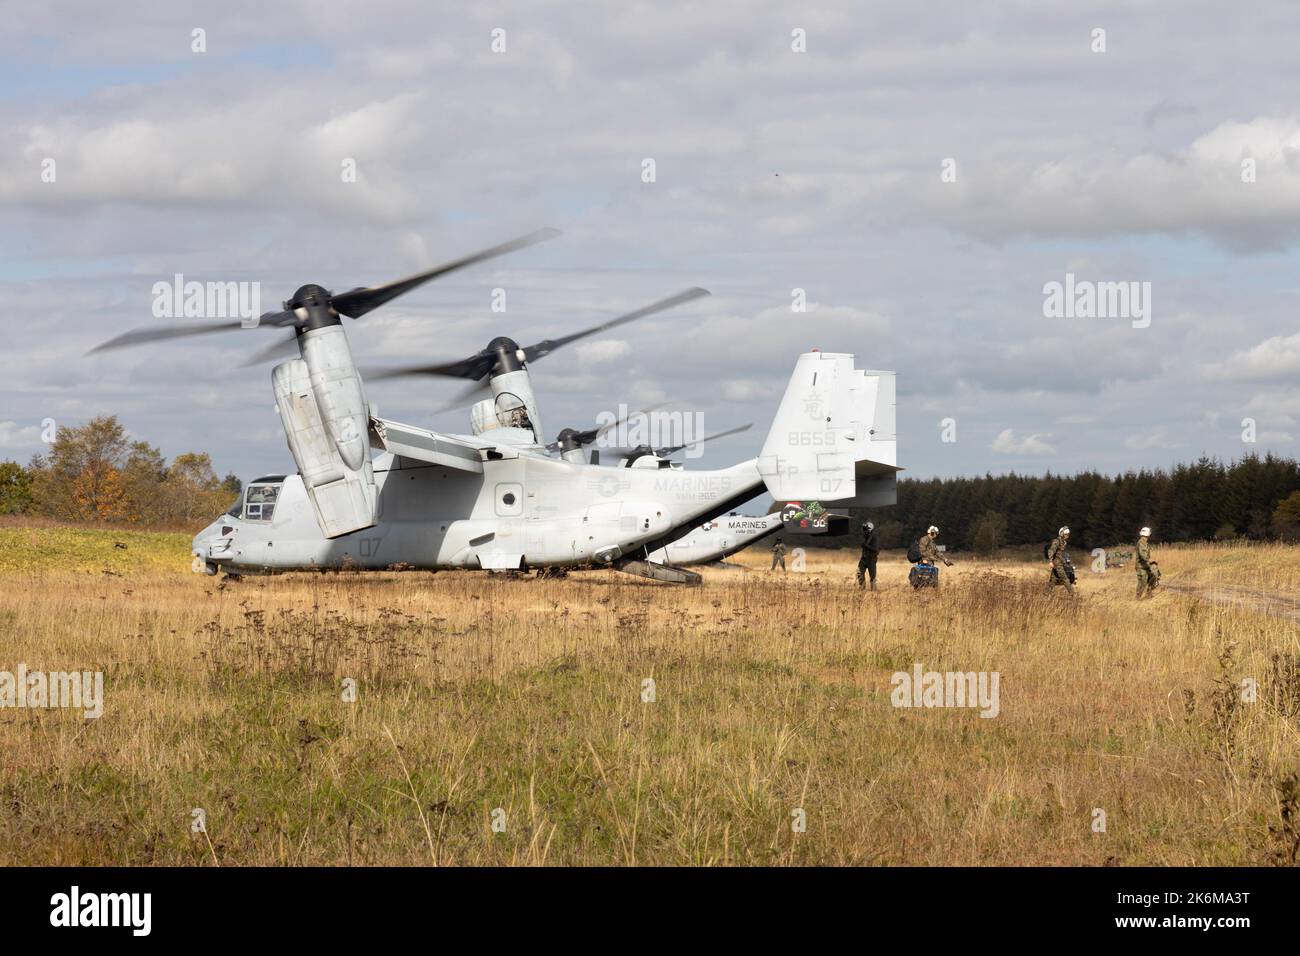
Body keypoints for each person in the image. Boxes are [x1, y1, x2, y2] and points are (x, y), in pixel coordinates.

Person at [1045, 525, 1075, 595]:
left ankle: (1045, 594)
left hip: (1060, 563)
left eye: (1068, 534)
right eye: (1066, 534)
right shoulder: (1057, 541)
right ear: (1062, 534)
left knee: (1053, 580)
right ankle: (1073, 595)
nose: (1067, 536)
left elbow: (1060, 553)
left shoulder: (1063, 542)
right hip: (1057, 564)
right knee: (1065, 579)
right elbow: (1051, 550)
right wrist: (1050, 561)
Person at [1135, 526, 1157, 599]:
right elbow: (1143, 554)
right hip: (1141, 566)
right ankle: (1137, 597)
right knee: (1143, 581)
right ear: (1148, 534)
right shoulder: (1142, 542)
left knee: (1153, 576)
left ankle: (1149, 594)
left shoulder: (1145, 542)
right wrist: (1149, 562)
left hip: (1145, 565)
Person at [857, 521, 879, 591]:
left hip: (871, 560)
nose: (864, 530)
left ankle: (873, 592)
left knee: (872, 577)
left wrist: (866, 546)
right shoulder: (865, 537)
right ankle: (862, 588)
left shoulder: (874, 537)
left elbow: (876, 550)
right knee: (859, 573)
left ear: (869, 529)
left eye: (866, 529)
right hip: (864, 559)